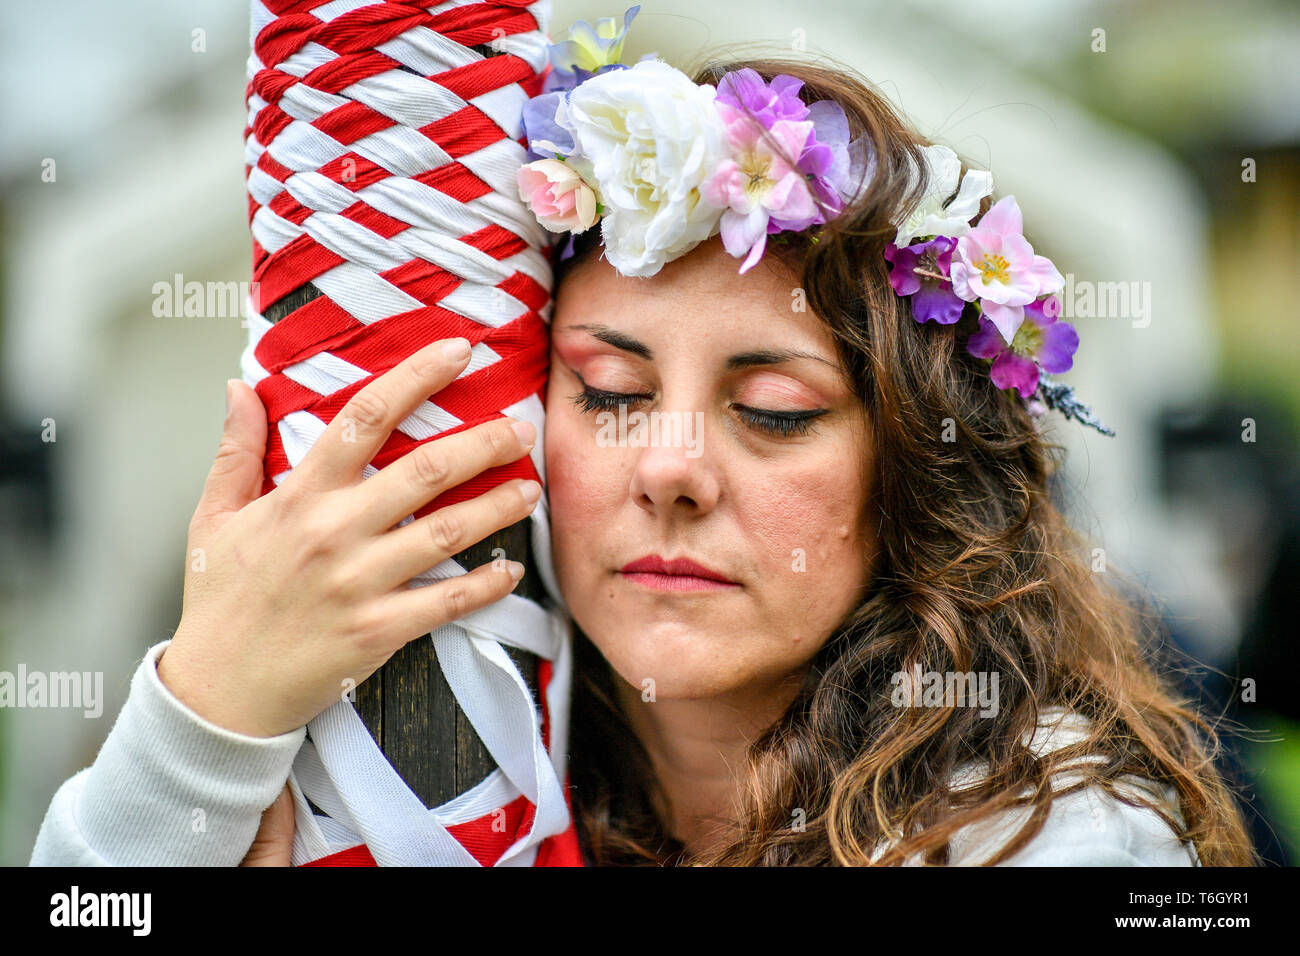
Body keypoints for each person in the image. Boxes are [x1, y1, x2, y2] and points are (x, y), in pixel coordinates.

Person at [29, 41, 1257, 866]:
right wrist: (202, 716)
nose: (668, 467)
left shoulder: (1055, 832)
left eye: (772, 409)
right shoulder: (427, 753)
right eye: (610, 390)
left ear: (915, 472)